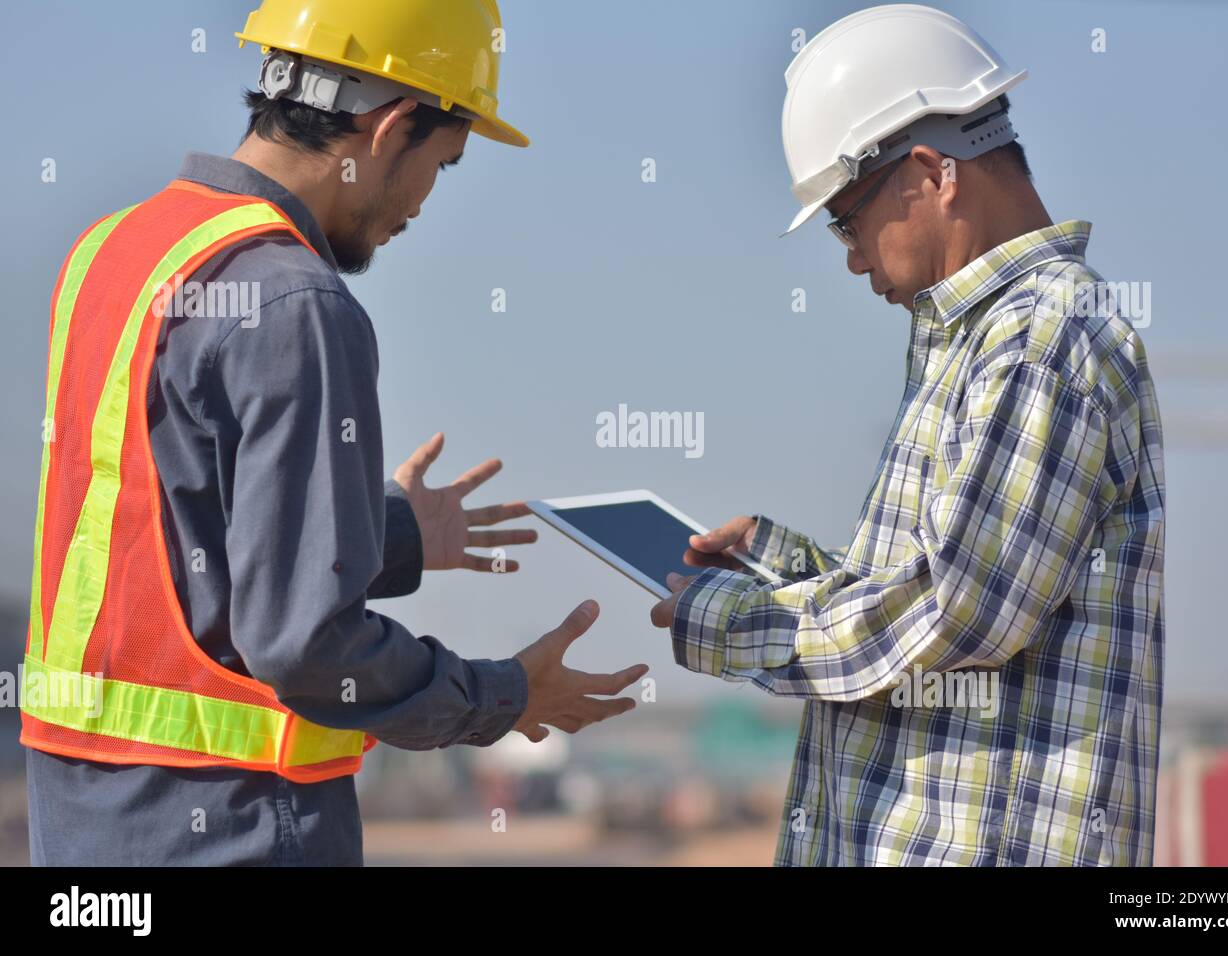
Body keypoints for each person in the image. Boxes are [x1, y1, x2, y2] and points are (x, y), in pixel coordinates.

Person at [22, 0, 646, 866]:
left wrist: (380, 536)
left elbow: (157, 531)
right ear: (392, 128)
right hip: (235, 823)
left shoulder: (112, 251)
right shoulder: (296, 303)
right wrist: (500, 696)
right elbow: (307, 646)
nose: (425, 205)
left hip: (84, 822)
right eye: (445, 162)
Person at [650, 4, 1165, 866]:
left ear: (930, 174)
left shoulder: (1042, 337)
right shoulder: (984, 339)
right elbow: (953, 584)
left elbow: (956, 612)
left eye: (847, 220)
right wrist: (785, 568)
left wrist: (738, 624)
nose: (851, 258)